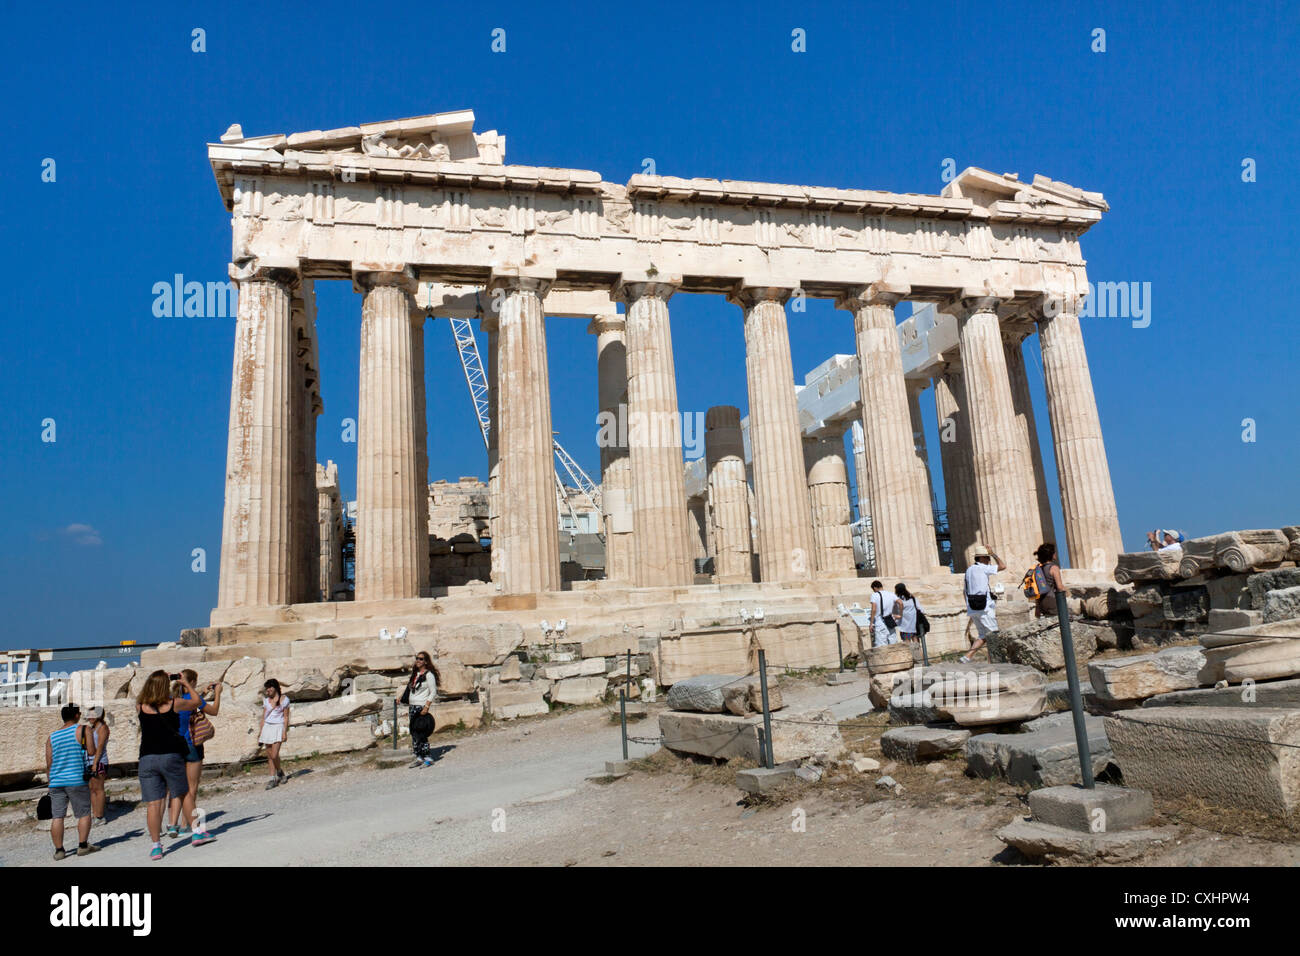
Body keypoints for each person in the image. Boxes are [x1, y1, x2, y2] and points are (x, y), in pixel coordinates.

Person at [136, 670, 205, 861]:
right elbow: (197, 701)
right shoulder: (175, 703)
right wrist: (186, 683)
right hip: (170, 756)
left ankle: (156, 846)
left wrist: (156, 677)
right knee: (183, 794)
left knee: (153, 804)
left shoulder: (140, 706)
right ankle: (197, 832)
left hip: (147, 759)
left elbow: (145, 696)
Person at [166, 669, 220, 845]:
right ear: (192, 683)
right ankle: (185, 824)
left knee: (176, 788)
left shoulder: (172, 700)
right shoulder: (192, 699)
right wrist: (217, 694)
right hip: (191, 745)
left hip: (174, 746)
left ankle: (172, 825)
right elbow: (214, 710)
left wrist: (202, 692)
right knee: (192, 787)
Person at [46, 704, 100, 860]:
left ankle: (59, 851)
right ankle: (83, 846)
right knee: (83, 813)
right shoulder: (83, 730)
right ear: (77, 715)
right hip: (76, 779)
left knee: (57, 816)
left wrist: (51, 782)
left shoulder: (52, 737)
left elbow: (49, 763)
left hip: (56, 781)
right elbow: (91, 751)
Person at [961, 545, 1006, 662]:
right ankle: (994, 661)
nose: (989, 560)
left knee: (982, 635)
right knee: (993, 634)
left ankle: (967, 657)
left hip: (972, 607)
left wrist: (968, 605)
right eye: (987, 557)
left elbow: (964, 591)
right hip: (984, 607)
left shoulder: (968, 570)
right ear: (981, 558)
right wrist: (994, 554)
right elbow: (1003, 566)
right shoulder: (984, 568)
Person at [402, 651, 438, 768]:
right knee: (414, 733)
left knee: (421, 733)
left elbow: (433, 692)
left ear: (426, 661)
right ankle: (419, 757)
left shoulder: (429, 675)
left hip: (421, 707)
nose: (418, 660)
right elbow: (411, 690)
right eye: (417, 658)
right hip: (412, 706)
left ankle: (428, 757)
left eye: (421, 659)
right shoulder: (415, 674)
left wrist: (426, 706)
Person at [258, 678, 291, 789]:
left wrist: (284, 732)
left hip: (278, 727)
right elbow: (263, 718)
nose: (268, 690)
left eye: (269, 688)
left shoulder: (285, 700)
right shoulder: (266, 701)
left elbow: (286, 717)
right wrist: (260, 733)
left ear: (275, 687)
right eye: (267, 689)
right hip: (267, 727)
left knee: (274, 754)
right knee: (269, 756)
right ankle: (272, 779)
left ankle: (280, 771)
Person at [81, 706, 110, 826]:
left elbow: (100, 747)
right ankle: (95, 814)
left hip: (99, 761)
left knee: (99, 788)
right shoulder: (91, 729)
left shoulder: (102, 728)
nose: (90, 717)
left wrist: (95, 763)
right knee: (92, 789)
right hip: (89, 761)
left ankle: (100, 816)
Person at [1031, 543, 1068, 618]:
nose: (1055, 553)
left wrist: (1037, 608)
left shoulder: (1037, 570)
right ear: (1051, 554)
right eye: (1054, 552)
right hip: (1052, 601)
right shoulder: (1054, 568)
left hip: (1042, 602)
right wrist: (1068, 592)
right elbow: (1060, 587)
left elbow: (1037, 589)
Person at [869, 580, 897, 647]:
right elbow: (900, 603)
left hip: (880, 622)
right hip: (890, 621)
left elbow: (874, 609)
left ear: (875, 588)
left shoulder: (875, 595)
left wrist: (871, 623)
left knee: (881, 646)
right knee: (893, 644)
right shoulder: (891, 594)